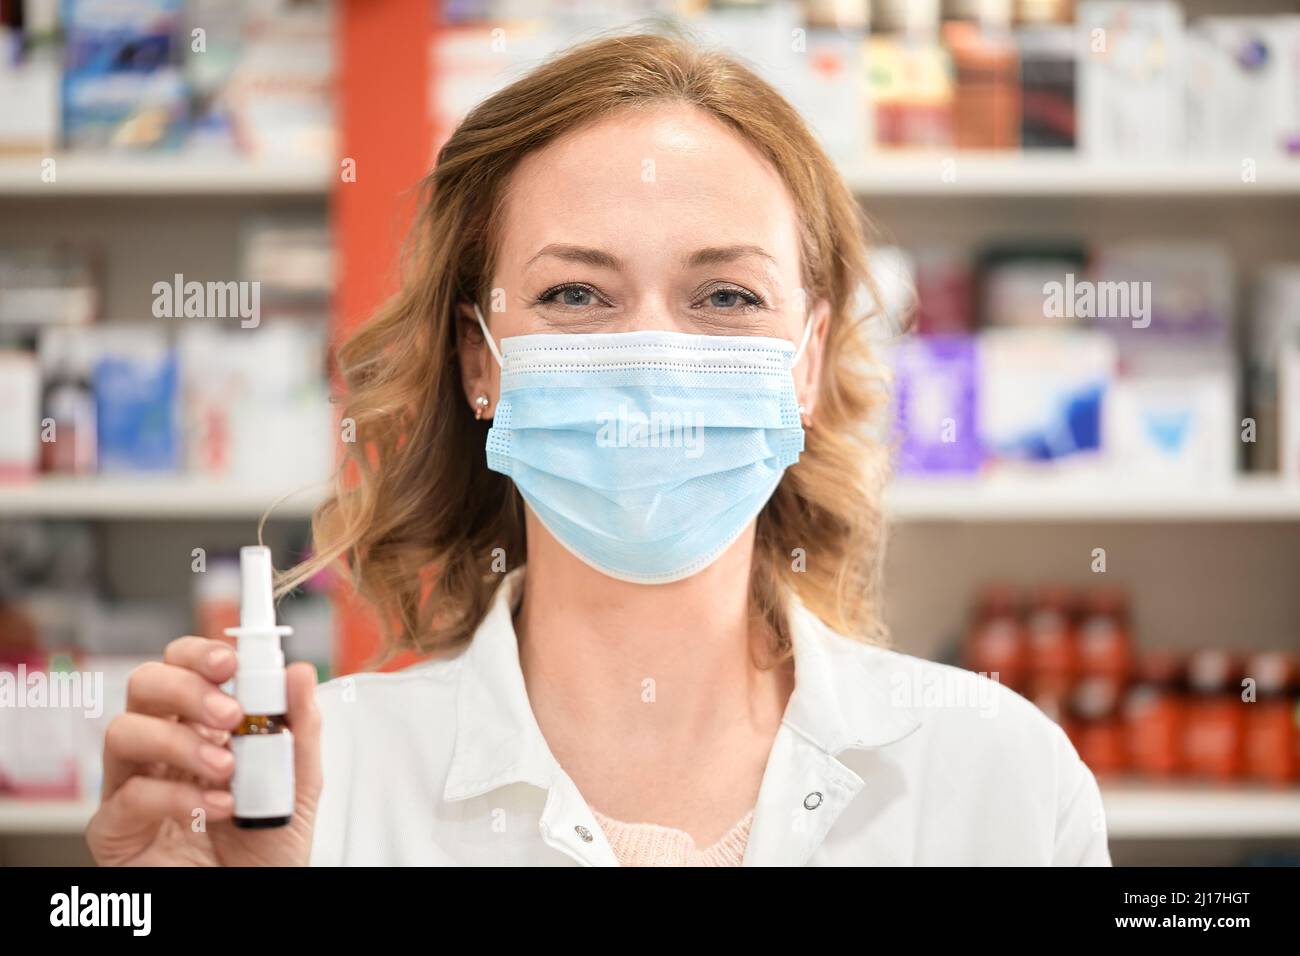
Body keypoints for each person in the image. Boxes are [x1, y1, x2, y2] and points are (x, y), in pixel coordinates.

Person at [88, 32, 1110, 867]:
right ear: (479, 361)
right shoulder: (308, 789)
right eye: (575, 294)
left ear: (803, 361)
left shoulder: (1001, 777)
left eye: (726, 295)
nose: (652, 352)